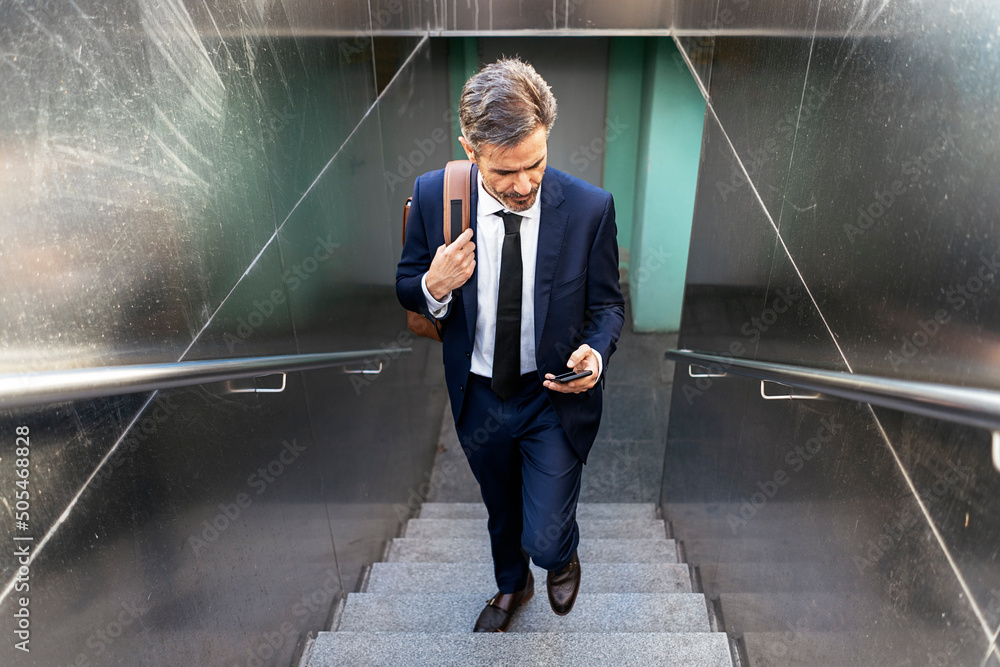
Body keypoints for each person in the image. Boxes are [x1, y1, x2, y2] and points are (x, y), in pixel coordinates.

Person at [396, 57, 624, 632]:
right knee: (501, 508)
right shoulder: (432, 198)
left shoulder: (590, 208)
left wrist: (594, 354)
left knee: (543, 534)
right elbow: (406, 283)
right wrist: (433, 285)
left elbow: (607, 306)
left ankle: (557, 555)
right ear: (470, 150)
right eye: (505, 173)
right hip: (478, 393)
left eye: (536, 164)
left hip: (551, 397)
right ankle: (512, 585)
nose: (524, 185)